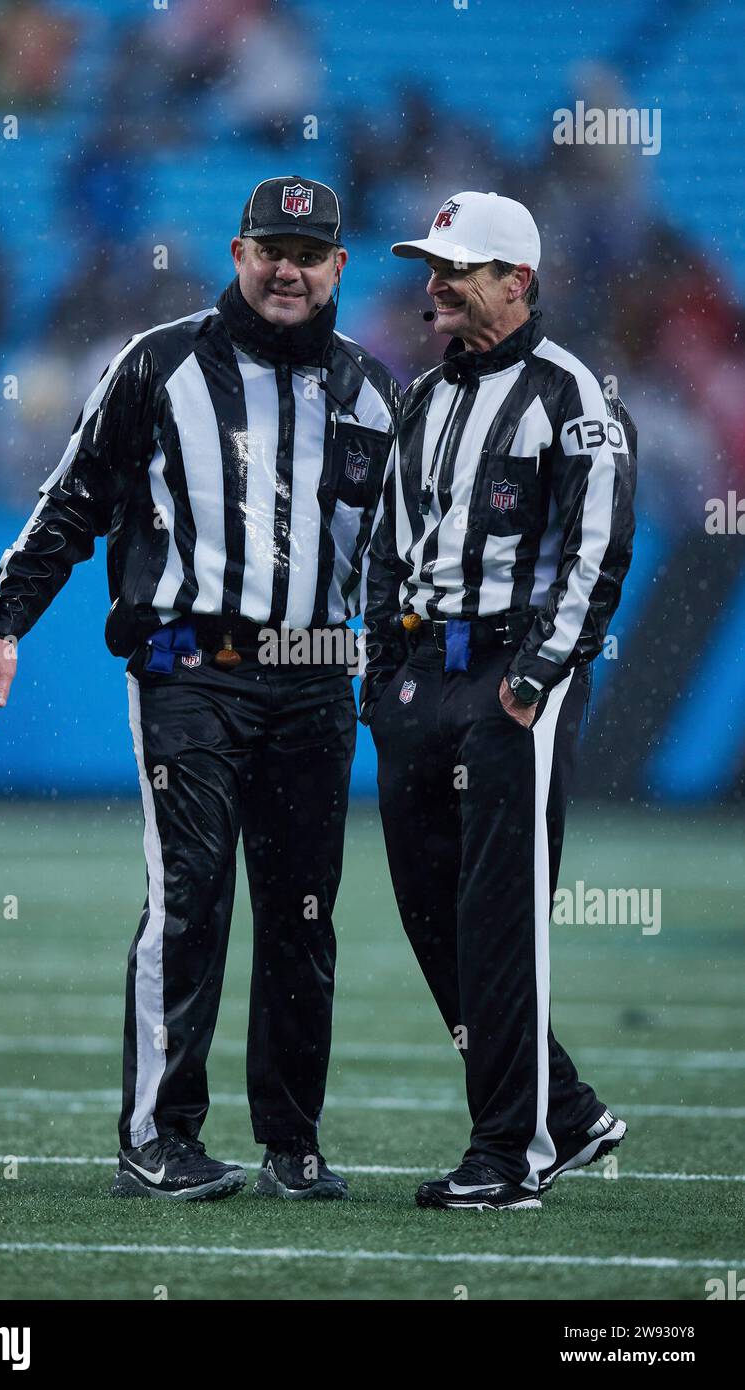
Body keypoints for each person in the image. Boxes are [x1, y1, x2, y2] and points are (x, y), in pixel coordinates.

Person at [0, 175, 399, 1202]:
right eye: (270, 249)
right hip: (189, 669)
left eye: (309, 252)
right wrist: (1, 625)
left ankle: (293, 1142)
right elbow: (70, 500)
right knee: (191, 896)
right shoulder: (157, 364)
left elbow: (395, 554)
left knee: (301, 912)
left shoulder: (371, 390)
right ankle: (158, 1136)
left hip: (314, 679)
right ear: (237, 252)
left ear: (339, 267)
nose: (287, 269)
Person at [362, 190, 636, 1210]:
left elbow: (597, 548)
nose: (433, 284)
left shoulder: (573, 395)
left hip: (509, 674)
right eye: (431, 267)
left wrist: (530, 677)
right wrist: (377, 678)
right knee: (432, 914)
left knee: (495, 916)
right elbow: (388, 548)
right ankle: (560, 1112)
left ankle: (507, 1155)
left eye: (457, 269)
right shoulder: (423, 398)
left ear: (514, 282)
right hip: (419, 674)